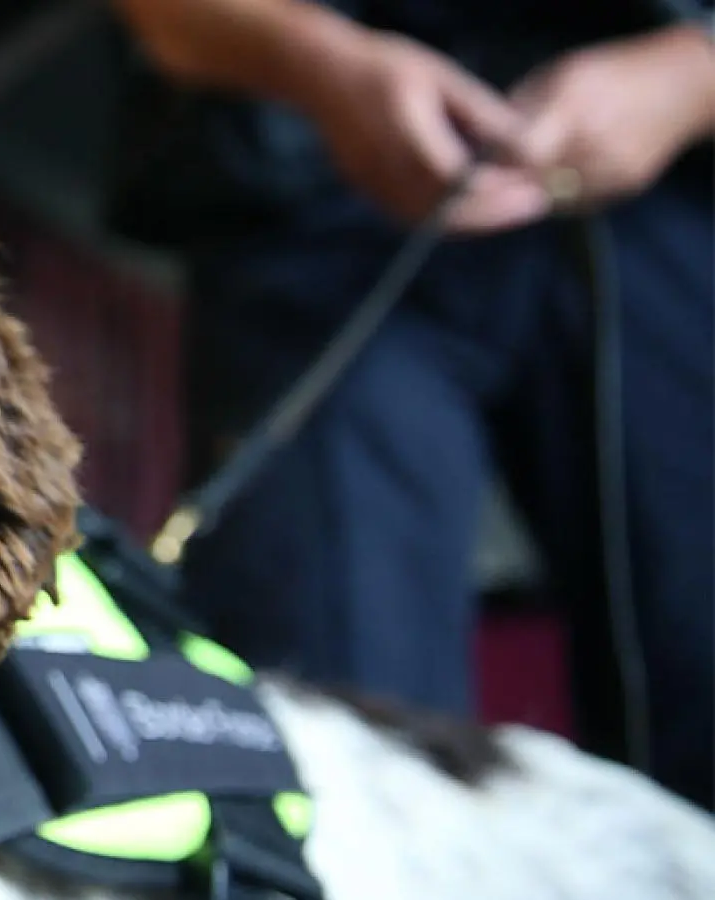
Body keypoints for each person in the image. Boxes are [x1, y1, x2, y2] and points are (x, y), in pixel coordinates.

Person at [102, 0, 715, 810]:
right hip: (316, 188)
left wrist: (696, 72)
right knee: (328, 737)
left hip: (680, 209)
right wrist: (320, 62)